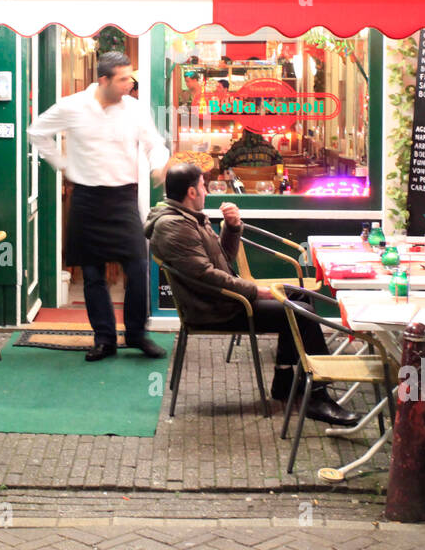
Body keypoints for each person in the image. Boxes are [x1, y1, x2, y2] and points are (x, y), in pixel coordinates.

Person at [145, 162, 359, 426]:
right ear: (191, 192)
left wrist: (232, 227)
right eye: (202, 186)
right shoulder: (175, 227)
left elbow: (222, 260)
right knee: (302, 313)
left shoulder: (188, 218)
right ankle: (317, 396)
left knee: (301, 297)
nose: (205, 191)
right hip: (215, 310)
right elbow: (206, 276)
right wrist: (257, 290)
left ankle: (285, 380)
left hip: (223, 299)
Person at [28, 51, 169, 362]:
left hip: (123, 199)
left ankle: (136, 334)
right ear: (103, 79)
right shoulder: (73, 106)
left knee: (138, 267)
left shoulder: (133, 109)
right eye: (122, 79)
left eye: (130, 77)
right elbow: (36, 131)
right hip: (87, 199)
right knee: (92, 275)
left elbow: (154, 144)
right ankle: (104, 339)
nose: (129, 84)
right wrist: (61, 163)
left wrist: (158, 165)